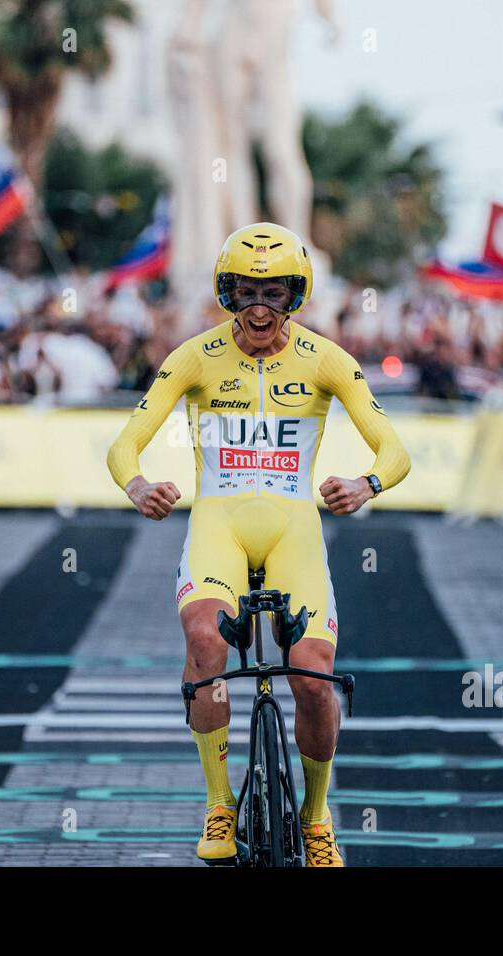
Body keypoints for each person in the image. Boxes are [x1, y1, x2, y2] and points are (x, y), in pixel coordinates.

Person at [106, 223, 411, 867]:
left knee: (314, 680)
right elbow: (123, 442)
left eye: (276, 292)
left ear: (297, 295)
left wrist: (367, 482)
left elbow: (396, 449)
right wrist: (136, 486)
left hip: (293, 527)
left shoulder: (328, 359)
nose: (261, 307)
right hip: (218, 523)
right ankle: (220, 804)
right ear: (227, 292)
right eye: (247, 291)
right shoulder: (194, 356)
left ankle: (317, 813)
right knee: (206, 642)